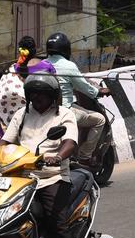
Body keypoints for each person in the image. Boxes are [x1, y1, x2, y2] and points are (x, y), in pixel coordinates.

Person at [0, 74, 81, 238]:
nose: (36, 98)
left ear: (53, 96)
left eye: (41, 94)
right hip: (21, 177)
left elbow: (70, 143)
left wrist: (58, 157)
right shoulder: (22, 114)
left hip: (51, 177)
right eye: (33, 93)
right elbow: (6, 142)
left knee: (58, 224)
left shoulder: (64, 115)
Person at [44, 32, 109, 165]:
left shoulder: (41, 65)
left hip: (44, 111)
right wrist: (99, 92)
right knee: (100, 120)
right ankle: (84, 156)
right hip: (65, 110)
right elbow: (84, 87)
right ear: (66, 49)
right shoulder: (69, 66)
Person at [0, 36, 56, 129]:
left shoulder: (12, 68)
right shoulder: (46, 66)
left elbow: (2, 94)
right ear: (35, 50)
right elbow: (55, 89)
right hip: (39, 117)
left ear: (20, 51)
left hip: (13, 120)